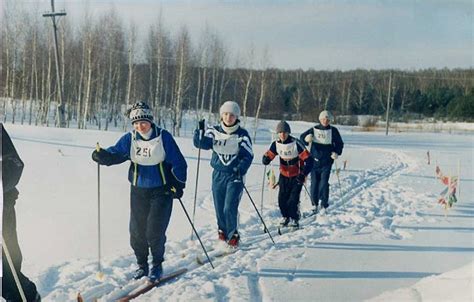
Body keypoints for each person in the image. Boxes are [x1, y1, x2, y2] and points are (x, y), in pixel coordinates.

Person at [91, 102, 187, 282]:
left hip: (162, 191)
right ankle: (142, 265)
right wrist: (103, 156)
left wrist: (178, 184)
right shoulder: (131, 138)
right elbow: (116, 153)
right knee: (136, 232)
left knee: (154, 231)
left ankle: (157, 264)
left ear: (150, 120)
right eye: (135, 123)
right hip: (138, 191)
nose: (139, 126)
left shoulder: (163, 137)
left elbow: (179, 163)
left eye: (142, 122)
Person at [193, 101, 253, 248]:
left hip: (234, 175)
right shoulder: (215, 131)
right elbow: (200, 143)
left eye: (232, 115)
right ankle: (222, 231)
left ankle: (233, 235)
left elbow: (248, 155)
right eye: (225, 114)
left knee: (229, 206)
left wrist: (241, 168)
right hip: (218, 174)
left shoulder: (242, 134)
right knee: (219, 206)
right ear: (221, 115)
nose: (228, 117)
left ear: (236, 117)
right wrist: (199, 130)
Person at [2, 124, 41, 302]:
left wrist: (2, 178)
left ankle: (23, 293)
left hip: (2, 205)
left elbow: (15, 163)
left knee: (8, 254)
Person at [262, 121, 313, 228]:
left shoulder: (296, 143)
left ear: (288, 132)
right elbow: (270, 154)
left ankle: (294, 218)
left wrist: (303, 174)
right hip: (284, 175)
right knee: (282, 199)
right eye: (280, 132)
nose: (282, 134)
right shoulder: (276, 144)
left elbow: (310, 160)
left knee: (293, 200)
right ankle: (285, 217)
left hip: (297, 175)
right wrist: (266, 159)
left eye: (285, 132)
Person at [299, 110, 344, 215]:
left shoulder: (333, 130)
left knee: (323, 183)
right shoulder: (314, 129)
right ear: (320, 119)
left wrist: (336, 152)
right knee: (314, 183)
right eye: (324, 119)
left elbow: (339, 144)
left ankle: (324, 204)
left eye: (328, 119)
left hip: (327, 162)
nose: (325, 121)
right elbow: (301, 139)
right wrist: (307, 139)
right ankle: (314, 204)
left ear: (330, 120)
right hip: (314, 161)